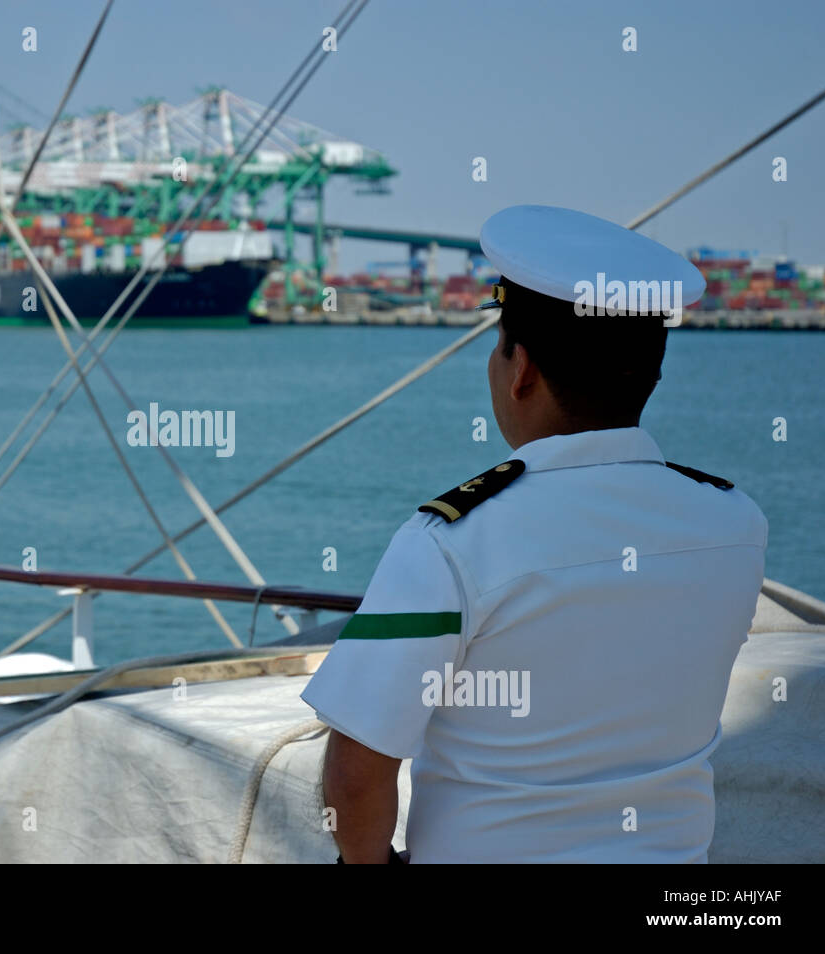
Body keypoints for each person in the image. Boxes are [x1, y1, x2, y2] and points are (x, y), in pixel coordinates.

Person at [301, 205, 768, 863]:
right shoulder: (736, 522)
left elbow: (357, 773)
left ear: (520, 369)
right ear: (651, 373)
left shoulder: (452, 542)